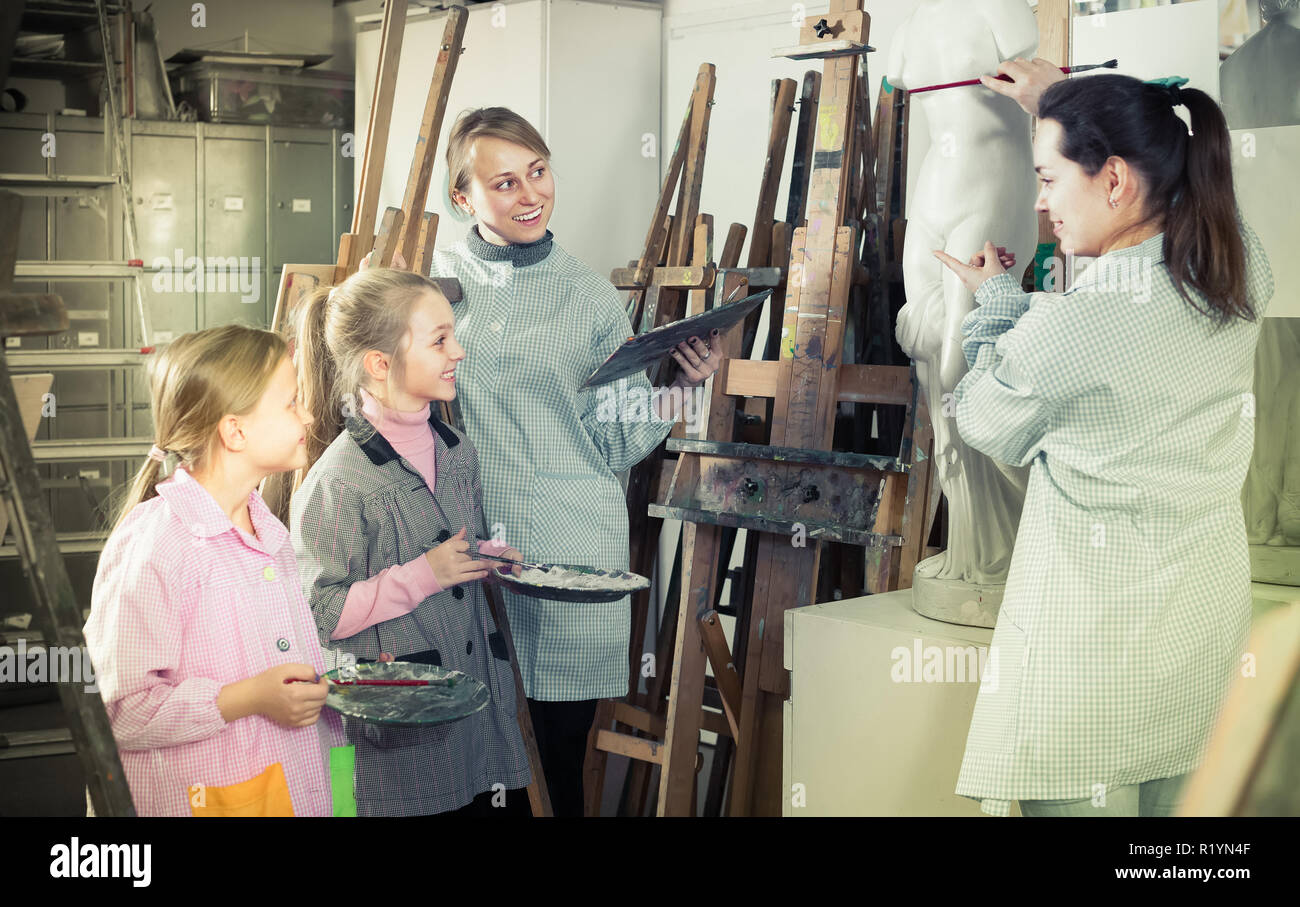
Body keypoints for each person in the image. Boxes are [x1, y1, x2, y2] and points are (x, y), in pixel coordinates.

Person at [937, 70, 1274, 816]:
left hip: (1088, 669)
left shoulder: (1071, 324)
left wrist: (997, 301)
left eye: (1049, 177)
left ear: (1115, 178)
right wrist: (1075, 111)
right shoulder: (1235, 272)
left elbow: (984, 416)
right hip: (1200, 651)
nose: (1039, 201)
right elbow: (1192, 199)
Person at [410, 107, 722, 816]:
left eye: (539, 172)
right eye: (505, 182)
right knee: (464, 774)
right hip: (463, 557)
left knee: (551, 767)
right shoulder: (431, 290)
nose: (530, 195)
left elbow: (612, 441)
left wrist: (678, 389)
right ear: (463, 198)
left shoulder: (589, 297)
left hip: (568, 557)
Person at [291, 266, 532, 817]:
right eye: (440, 340)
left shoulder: (457, 451)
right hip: (390, 734)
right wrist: (428, 573)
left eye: (455, 334)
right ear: (380, 364)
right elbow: (318, 612)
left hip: (471, 710)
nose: (460, 352)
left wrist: (488, 561)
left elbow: (451, 549)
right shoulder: (337, 481)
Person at [84, 325, 341, 816]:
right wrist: (245, 699)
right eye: (291, 403)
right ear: (235, 431)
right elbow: (114, 712)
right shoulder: (158, 544)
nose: (307, 415)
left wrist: (346, 676)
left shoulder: (269, 531)